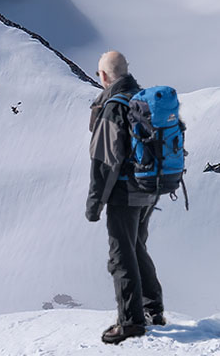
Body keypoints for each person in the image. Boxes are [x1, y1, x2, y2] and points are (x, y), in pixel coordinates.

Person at [86, 50, 165, 344]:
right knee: (136, 246)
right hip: (150, 188)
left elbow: (104, 161)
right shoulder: (143, 99)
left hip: (125, 192)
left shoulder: (114, 106)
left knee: (121, 255)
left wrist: (94, 203)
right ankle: (152, 308)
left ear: (105, 76)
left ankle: (131, 322)